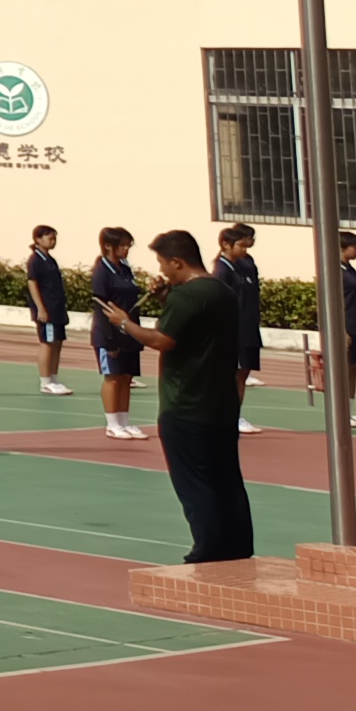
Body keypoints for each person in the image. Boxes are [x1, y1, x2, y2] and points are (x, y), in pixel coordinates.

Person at [99, 230, 248, 562]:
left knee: (195, 483)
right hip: (222, 404)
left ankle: (208, 548)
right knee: (226, 477)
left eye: (164, 263)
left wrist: (124, 323)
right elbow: (194, 327)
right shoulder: (221, 291)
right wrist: (167, 296)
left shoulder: (188, 296)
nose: (162, 270)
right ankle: (237, 545)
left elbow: (162, 339)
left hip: (186, 404)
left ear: (178, 262)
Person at [308, 234, 356, 429]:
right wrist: (342, 331)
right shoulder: (334, 270)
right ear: (343, 247)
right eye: (355, 247)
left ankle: (349, 412)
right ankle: (339, 412)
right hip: (346, 327)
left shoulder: (350, 269)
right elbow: (333, 303)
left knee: (354, 369)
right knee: (342, 371)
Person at [90, 227, 149, 440]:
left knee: (126, 377)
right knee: (113, 378)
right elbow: (101, 306)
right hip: (110, 334)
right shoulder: (101, 272)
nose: (126, 249)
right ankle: (112, 424)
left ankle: (124, 421)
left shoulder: (125, 269)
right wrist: (109, 339)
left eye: (128, 245)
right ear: (108, 246)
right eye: (122, 245)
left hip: (129, 331)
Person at [217, 223, 267, 431]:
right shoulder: (222, 270)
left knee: (243, 372)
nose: (245, 248)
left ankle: (235, 414)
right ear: (226, 245)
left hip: (248, 326)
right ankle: (229, 416)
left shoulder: (243, 265)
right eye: (241, 245)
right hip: (234, 330)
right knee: (234, 374)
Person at [23, 224, 74, 396]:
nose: (53, 241)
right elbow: (32, 283)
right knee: (48, 343)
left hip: (57, 308)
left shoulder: (50, 260)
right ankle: (45, 382)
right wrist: (40, 308)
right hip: (47, 309)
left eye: (54, 238)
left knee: (57, 343)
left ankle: (54, 379)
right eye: (49, 237)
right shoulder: (35, 260)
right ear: (38, 239)